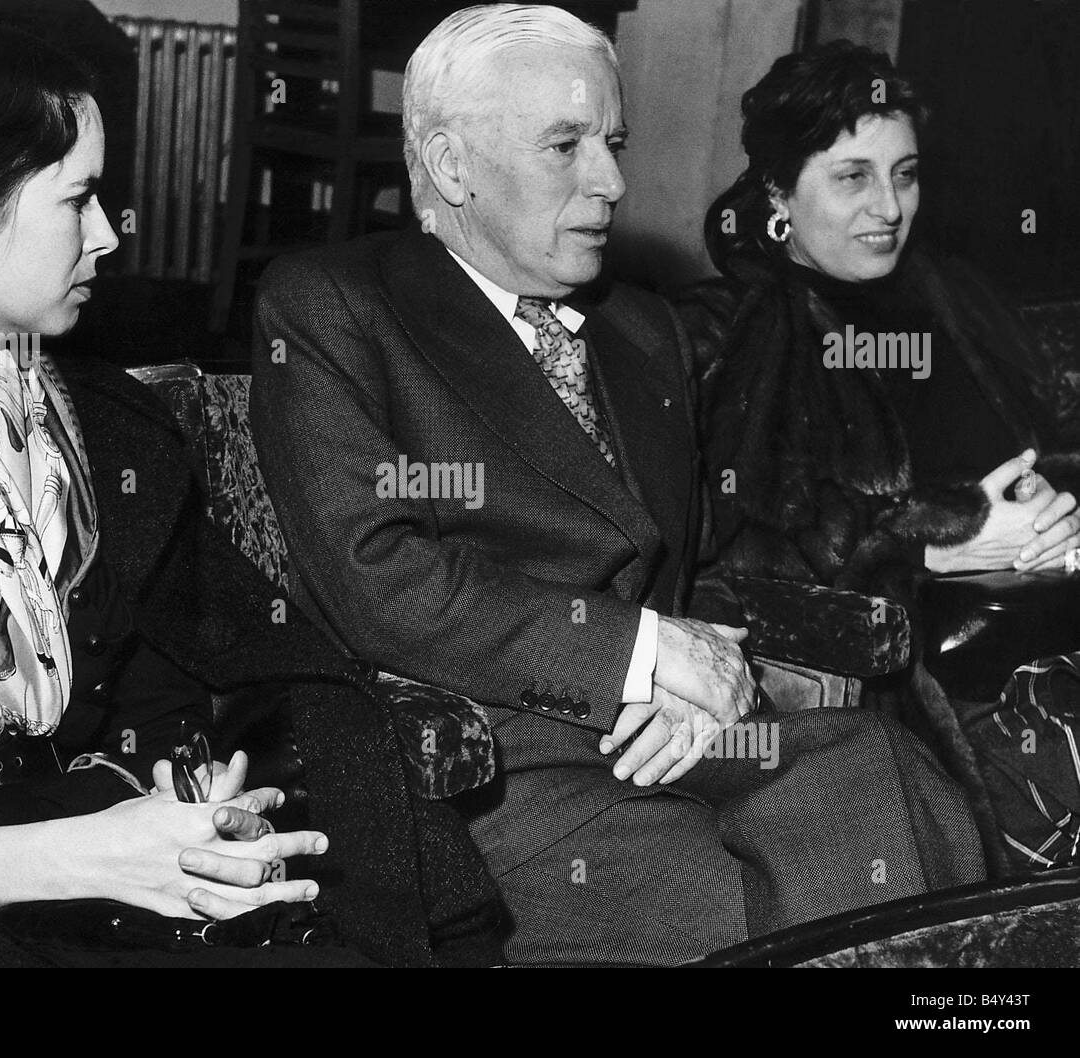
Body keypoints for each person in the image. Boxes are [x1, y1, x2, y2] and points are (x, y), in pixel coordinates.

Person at [249, 3, 986, 967]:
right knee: (801, 918)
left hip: (679, 739)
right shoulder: (338, 307)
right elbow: (378, 576)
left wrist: (699, 666)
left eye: (613, 141)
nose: (612, 181)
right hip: (487, 767)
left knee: (887, 775)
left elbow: (701, 557)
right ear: (450, 164)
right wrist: (639, 655)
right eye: (567, 145)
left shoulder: (642, 331)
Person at [0, 10, 500, 968]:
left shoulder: (91, 419)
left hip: (101, 876)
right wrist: (82, 856)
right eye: (76, 199)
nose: (109, 236)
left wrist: (190, 793)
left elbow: (180, 653)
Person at [674, 40, 1080, 873]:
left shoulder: (952, 301)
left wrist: (1056, 522)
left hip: (1047, 638)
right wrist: (934, 545)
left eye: (906, 173)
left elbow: (1044, 448)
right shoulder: (735, 330)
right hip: (913, 697)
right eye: (853, 176)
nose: (889, 206)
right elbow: (731, 553)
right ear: (780, 192)